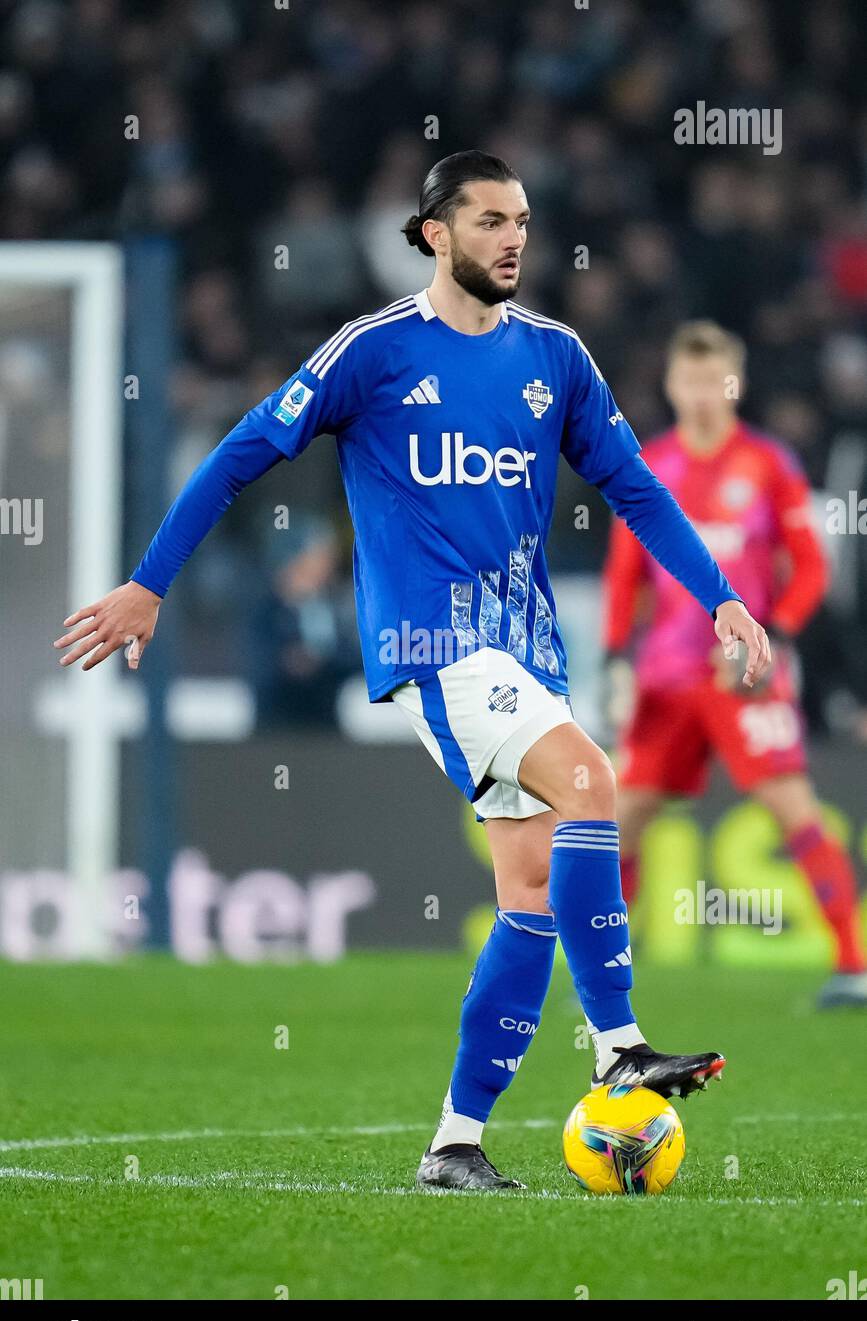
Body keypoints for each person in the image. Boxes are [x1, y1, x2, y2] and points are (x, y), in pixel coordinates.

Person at [53, 151, 770, 1192]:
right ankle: (619, 1045)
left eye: (521, 219)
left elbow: (639, 489)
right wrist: (149, 582)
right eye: (487, 221)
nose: (512, 237)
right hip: (435, 648)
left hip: (526, 650)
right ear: (434, 232)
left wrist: (721, 596)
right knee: (592, 783)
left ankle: (453, 1143)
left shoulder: (557, 357)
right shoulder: (375, 352)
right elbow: (241, 453)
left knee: (529, 893)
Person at [604, 320, 867, 1008]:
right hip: (664, 674)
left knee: (792, 808)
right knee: (622, 817)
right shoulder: (646, 466)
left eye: (712, 380)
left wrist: (775, 637)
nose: (699, 394)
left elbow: (810, 567)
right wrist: (613, 659)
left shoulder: (769, 465)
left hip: (744, 674)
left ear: (735, 384)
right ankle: (605, 974)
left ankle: (851, 965)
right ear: (668, 384)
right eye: (686, 380)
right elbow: (624, 574)